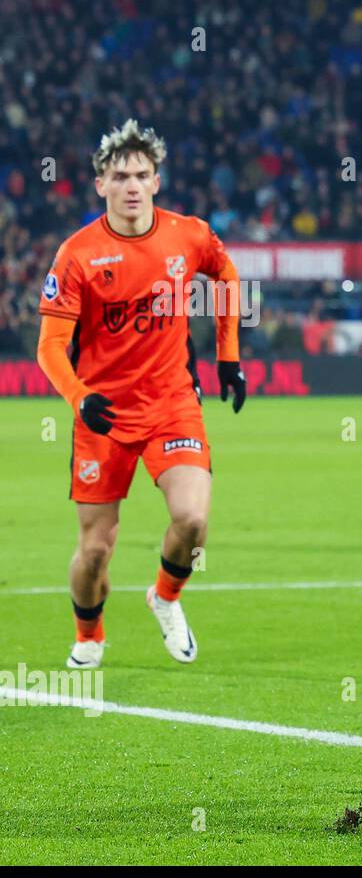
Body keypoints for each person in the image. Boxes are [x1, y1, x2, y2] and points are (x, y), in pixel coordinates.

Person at [35, 119, 247, 669]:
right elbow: (50, 348)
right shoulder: (77, 255)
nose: (132, 184)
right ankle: (90, 632)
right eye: (120, 175)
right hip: (102, 414)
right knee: (96, 547)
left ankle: (166, 596)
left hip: (173, 403)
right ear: (100, 184)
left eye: (142, 174)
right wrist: (80, 398)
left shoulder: (188, 234)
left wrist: (228, 356)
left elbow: (225, 273)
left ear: (157, 181)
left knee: (193, 519)